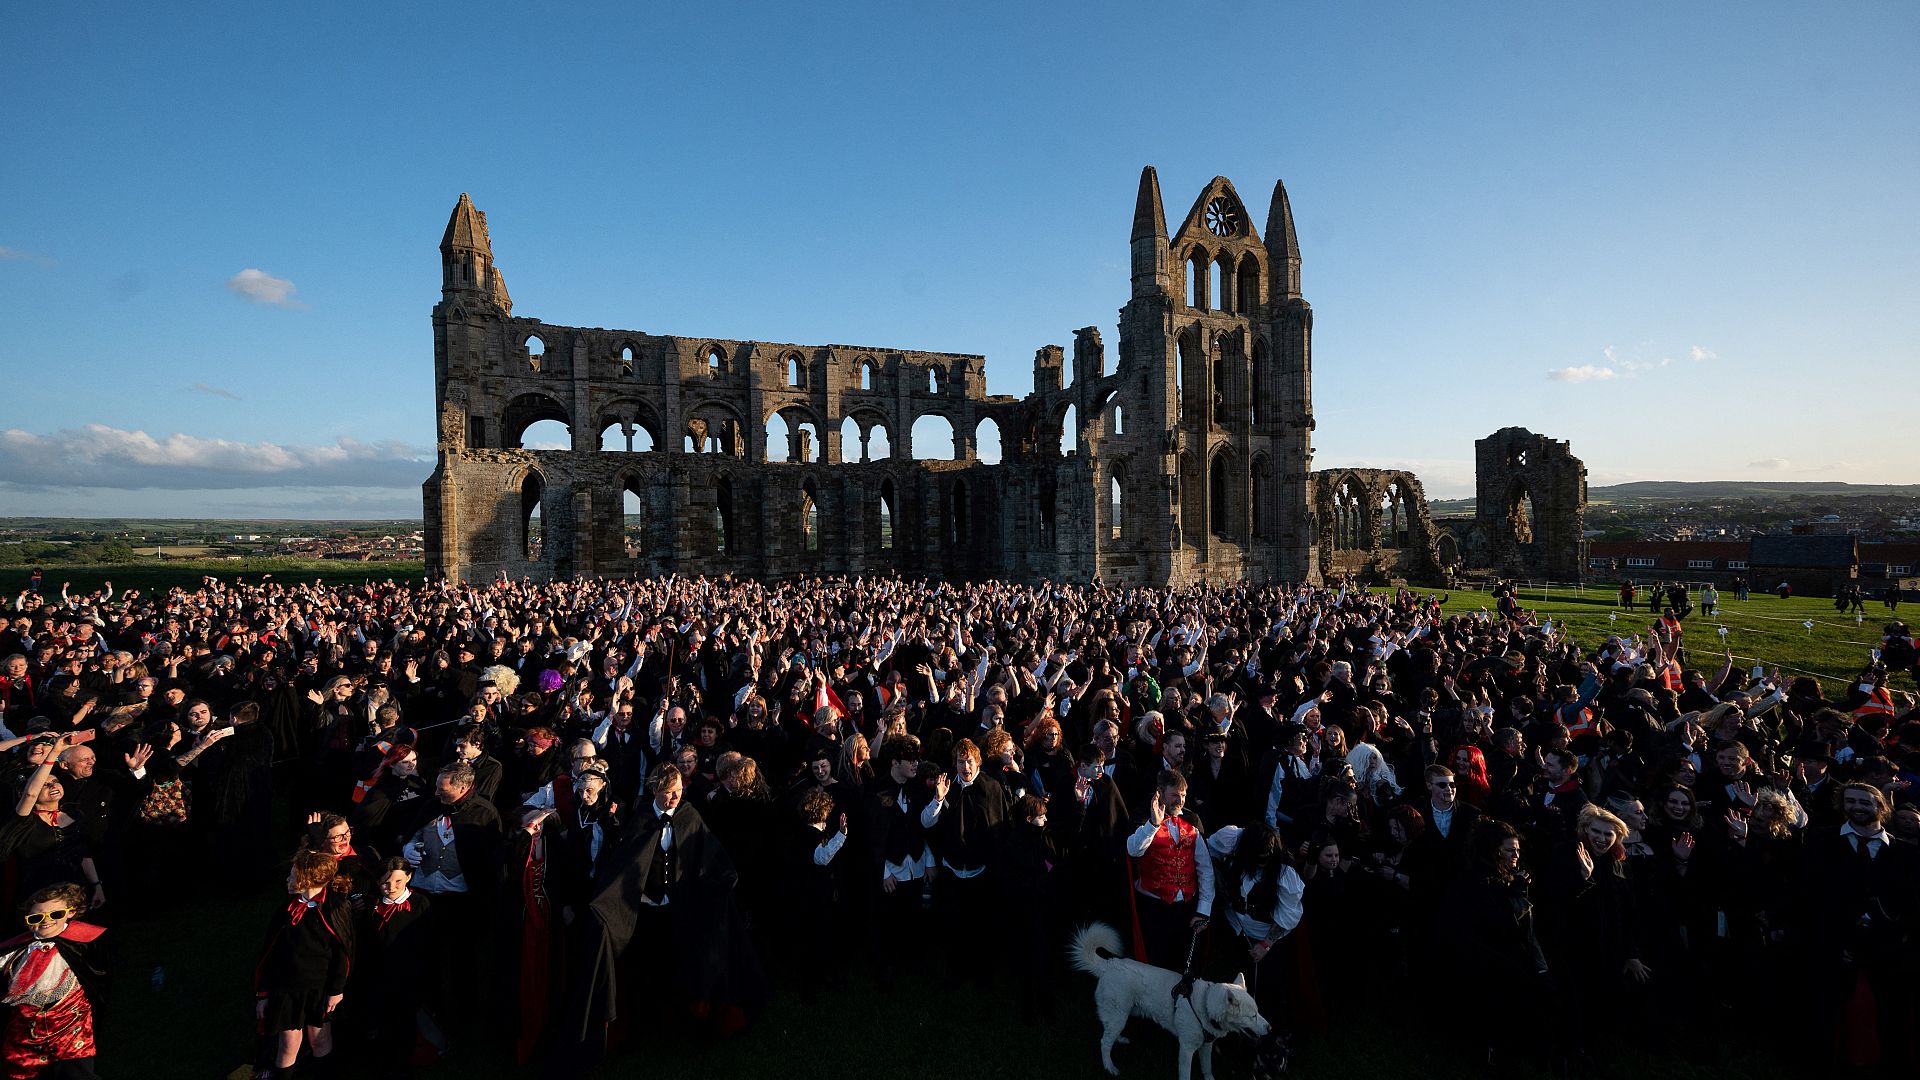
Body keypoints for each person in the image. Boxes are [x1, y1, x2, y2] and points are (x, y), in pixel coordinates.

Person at [254, 850, 353, 1080]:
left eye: (292, 875)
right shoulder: (287, 909)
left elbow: (343, 954)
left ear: (307, 880)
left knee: (320, 1039)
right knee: (287, 1043)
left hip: (319, 989)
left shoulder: (335, 909)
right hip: (287, 989)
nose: (288, 879)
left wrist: (336, 991)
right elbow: (270, 953)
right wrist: (263, 993)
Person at [0, 883, 107, 1079]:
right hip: (26, 1027)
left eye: (55, 914)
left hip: (70, 1023)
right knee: (22, 1071)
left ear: (70, 912)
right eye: (36, 918)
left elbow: (97, 975)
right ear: (26, 921)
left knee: (76, 1073)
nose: (46, 921)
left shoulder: (81, 942)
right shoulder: (16, 948)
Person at [1125, 769, 1214, 972]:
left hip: (1187, 908)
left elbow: (1205, 869)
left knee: (1187, 965)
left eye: (1183, 795)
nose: (1179, 800)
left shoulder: (1192, 820)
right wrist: (1153, 824)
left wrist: (1204, 909)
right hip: (1155, 908)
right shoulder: (1143, 814)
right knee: (1158, 966)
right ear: (1160, 793)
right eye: (1174, 795)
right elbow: (1133, 849)